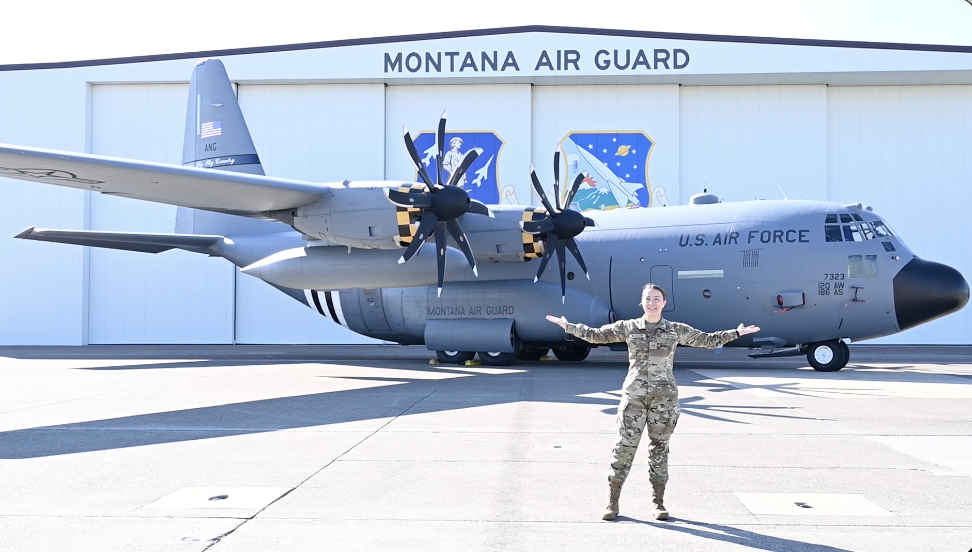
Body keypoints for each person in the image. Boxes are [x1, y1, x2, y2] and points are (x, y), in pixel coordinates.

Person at [546, 283, 760, 521]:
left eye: (657, 298)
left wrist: (736, 333)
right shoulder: (629, 327)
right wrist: (569, 326)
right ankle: (612, 502)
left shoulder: (675, 330)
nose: (652, 303)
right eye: (648, 299)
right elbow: (597, 335)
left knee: (659, 450)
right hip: (634, 398)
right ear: (642, 302)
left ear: (664, 302)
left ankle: (658, 503)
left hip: (664, 401)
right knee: (623, 448)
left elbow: (707, 340)